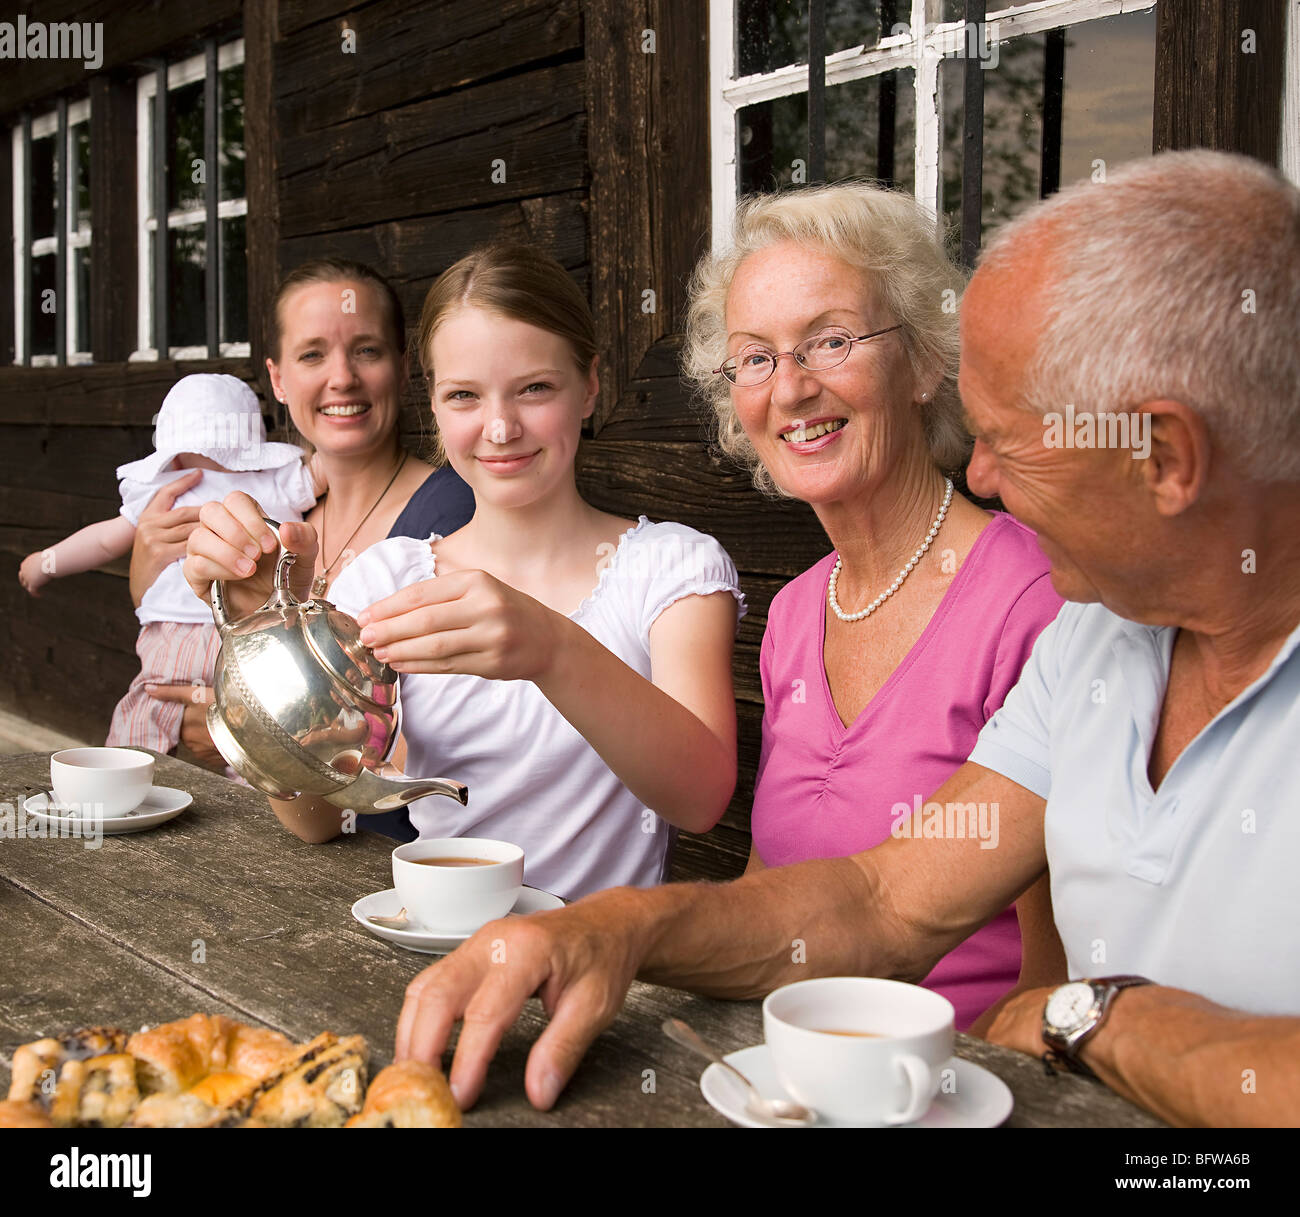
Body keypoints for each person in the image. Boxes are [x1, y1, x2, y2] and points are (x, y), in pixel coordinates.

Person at [390, 151, 1300, 1128]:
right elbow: (886, 903)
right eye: (753, 354)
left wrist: (1088, 1017)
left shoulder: (1040, 598)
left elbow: (1035, 1000)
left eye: (1011, 441)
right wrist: (608, 926)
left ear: (1162, 457)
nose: (982, 474)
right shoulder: (1100, 638)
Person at [182, 243, 745, 900]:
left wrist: (552, 648)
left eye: (535, 388)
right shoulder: (388, 576)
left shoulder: (671, 567)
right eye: (464, 396)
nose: (501, 427)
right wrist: (270, 646)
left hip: (593, 963)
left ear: (589, 385)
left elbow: (699, 797)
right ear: (435, 403)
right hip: (428, 942)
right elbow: (318, 820)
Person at [681, 182, 1063, 1031]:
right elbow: (762, 889)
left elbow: (1051, 980)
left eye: (831, 340)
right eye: (756, 356)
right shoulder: (793, 614)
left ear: (925, 361)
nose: (791, 387)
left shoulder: (1031, 602)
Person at [138, 259, 476, 839]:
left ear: (402, 365)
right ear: (277, 378)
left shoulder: (452, 517)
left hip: (379, 861)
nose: (341, 378)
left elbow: (440, 746)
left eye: (367, 350)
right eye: (312, 354)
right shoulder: (275, 521)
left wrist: (243, 724)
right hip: (245, 832)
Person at [17, 373, 322, 764]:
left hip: (171, 635)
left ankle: (121, 779)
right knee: (254, 724)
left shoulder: (164, 489)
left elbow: (103, 540)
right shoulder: (277, 481)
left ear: (171, 445)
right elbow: (327, 469)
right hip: (251, 634)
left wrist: (43, 563)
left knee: (149, 705)